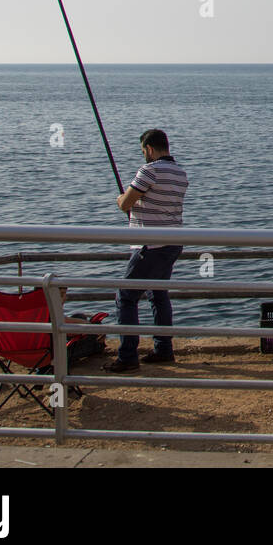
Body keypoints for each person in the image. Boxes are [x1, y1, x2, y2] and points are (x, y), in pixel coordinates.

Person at [104, 129, 189, 372]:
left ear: (149, 148)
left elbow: (126, 203)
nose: (144, 155)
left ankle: (128, 356)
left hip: (149, 246)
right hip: (173, 242)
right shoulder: (180, 173)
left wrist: (120, 198)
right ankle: (163, 349)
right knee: (158, 295)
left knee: (125, 296)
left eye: (144, 151)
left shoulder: (148, 171)